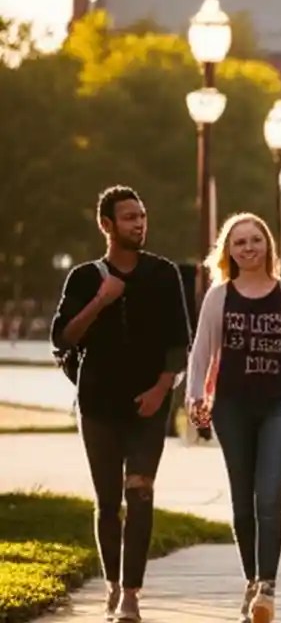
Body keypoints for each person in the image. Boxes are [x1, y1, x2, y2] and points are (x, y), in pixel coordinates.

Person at [50, 186, 191, 622]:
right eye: (129, 217)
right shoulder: (84, 278)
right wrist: (101, 300)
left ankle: (131, 595)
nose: (139, 223)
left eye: (142, 215)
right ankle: (112, 584)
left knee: (141, 493)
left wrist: (161, 390)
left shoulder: (164, 274)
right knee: (109, 501)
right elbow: (63, 338)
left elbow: (178, 343)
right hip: (97, 404)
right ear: (106, 225)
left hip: (148, 406)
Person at [186, 213, 281, 623]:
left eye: (255, 240)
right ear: (229, 251)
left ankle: (267, 586)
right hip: (231, 407)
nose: (248, 248)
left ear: (268, 246)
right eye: (239, 242)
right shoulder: (219, 296)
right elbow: (201, 352)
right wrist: (195, 396)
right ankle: (251, 579)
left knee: (268, 497)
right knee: (242, 502)